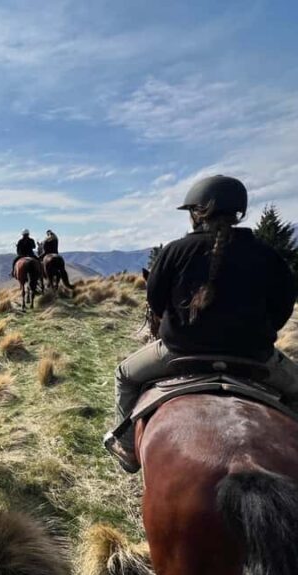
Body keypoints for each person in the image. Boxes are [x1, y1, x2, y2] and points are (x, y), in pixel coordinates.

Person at [104, 174, 298, 473]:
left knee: (124, 376)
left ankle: (128, 447)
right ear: (238, 213)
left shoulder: (174, 251)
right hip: (256, 358)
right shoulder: (268, 256)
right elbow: (283, 308)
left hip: (179, 354)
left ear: (196, 213)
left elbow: (156, 303)